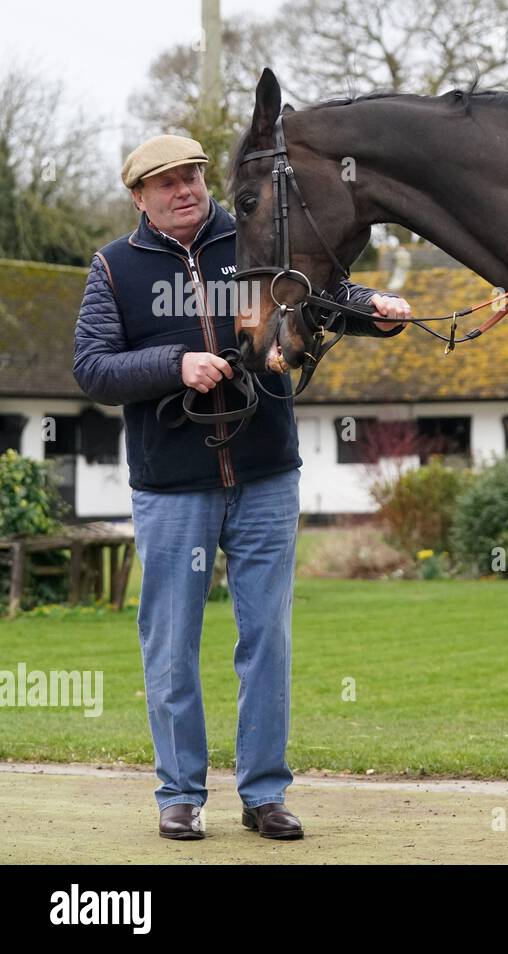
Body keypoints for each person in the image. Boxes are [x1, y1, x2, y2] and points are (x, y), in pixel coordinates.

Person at [72, 134, 411, 841]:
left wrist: (373, 310)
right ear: (139, 197)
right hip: (171, 487)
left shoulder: (256, 236)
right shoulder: (113, 268)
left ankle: (264, 795)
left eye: (193, 174)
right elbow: (94, 369)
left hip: (265, 476)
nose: (185, 188)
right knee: (170, 645)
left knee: (268, 641)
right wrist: (176, 364)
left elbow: (319, 297)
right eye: (166, 182)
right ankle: (181, 794)